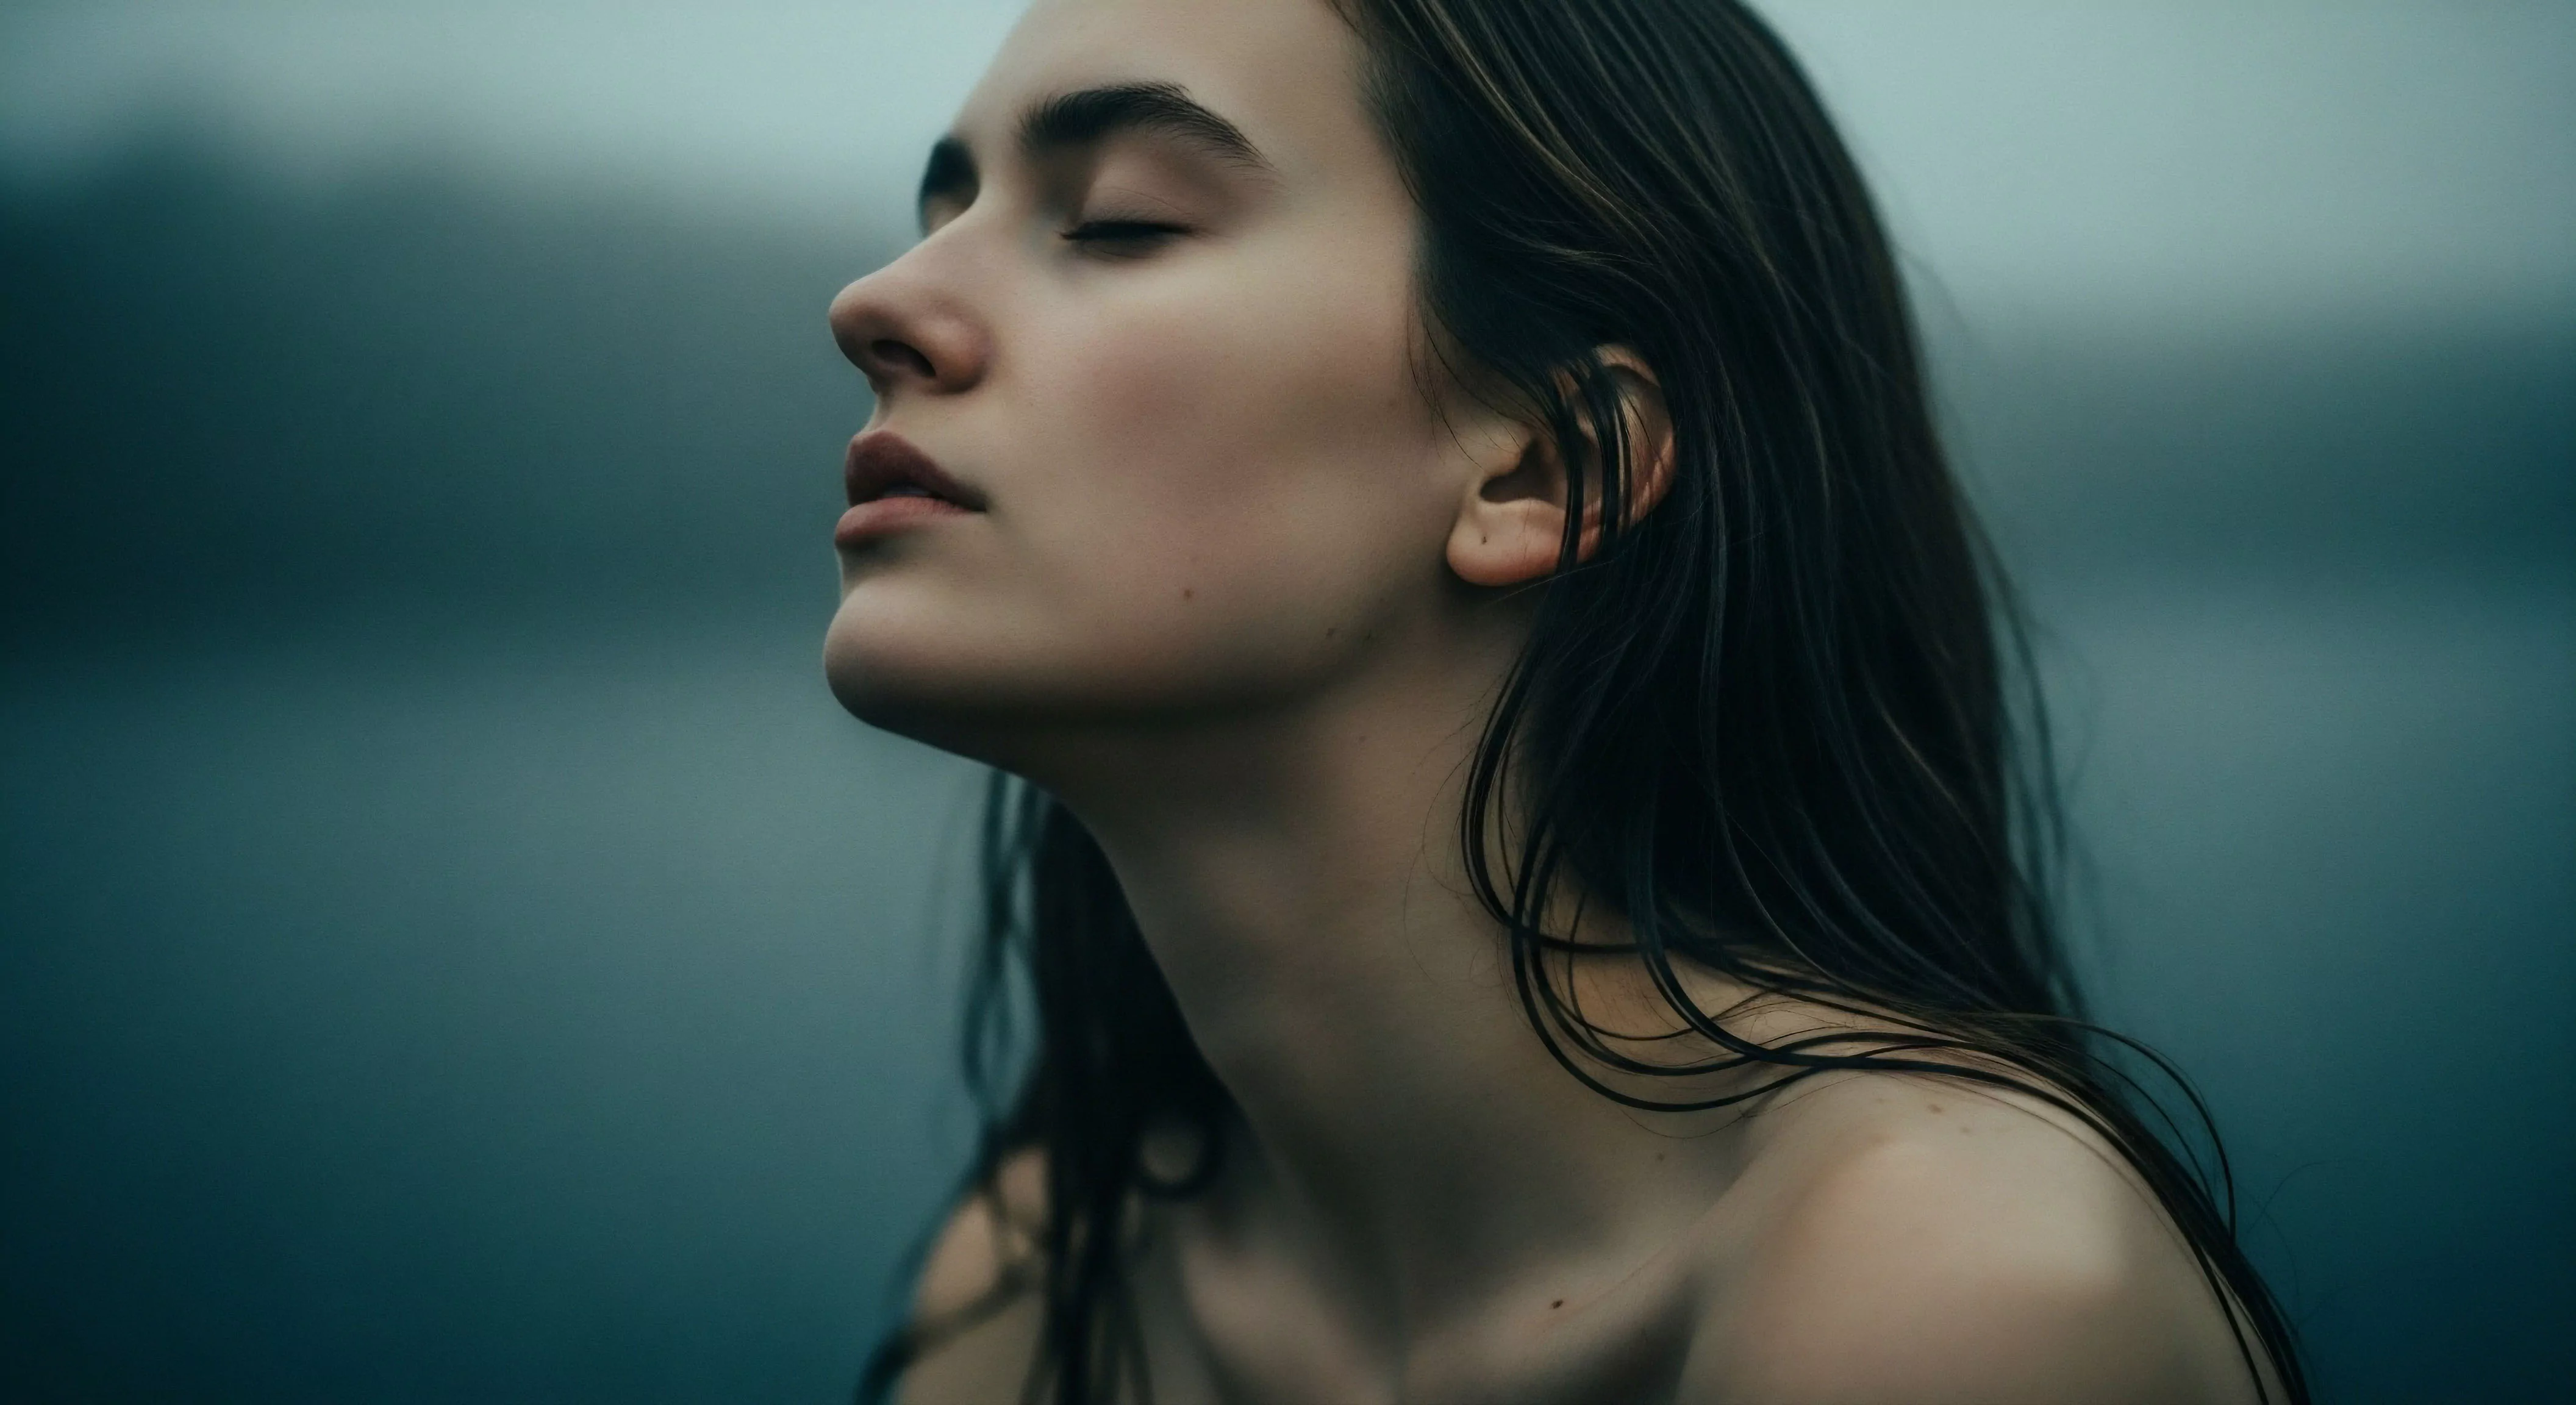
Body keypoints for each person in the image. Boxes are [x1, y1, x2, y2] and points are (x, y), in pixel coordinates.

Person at [821, 0, 2305, 1400]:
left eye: (1119, 221)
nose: (877, 302)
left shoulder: (1958, 1300)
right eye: (945, 214)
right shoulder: (1038, 1280)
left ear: (1546, 466)